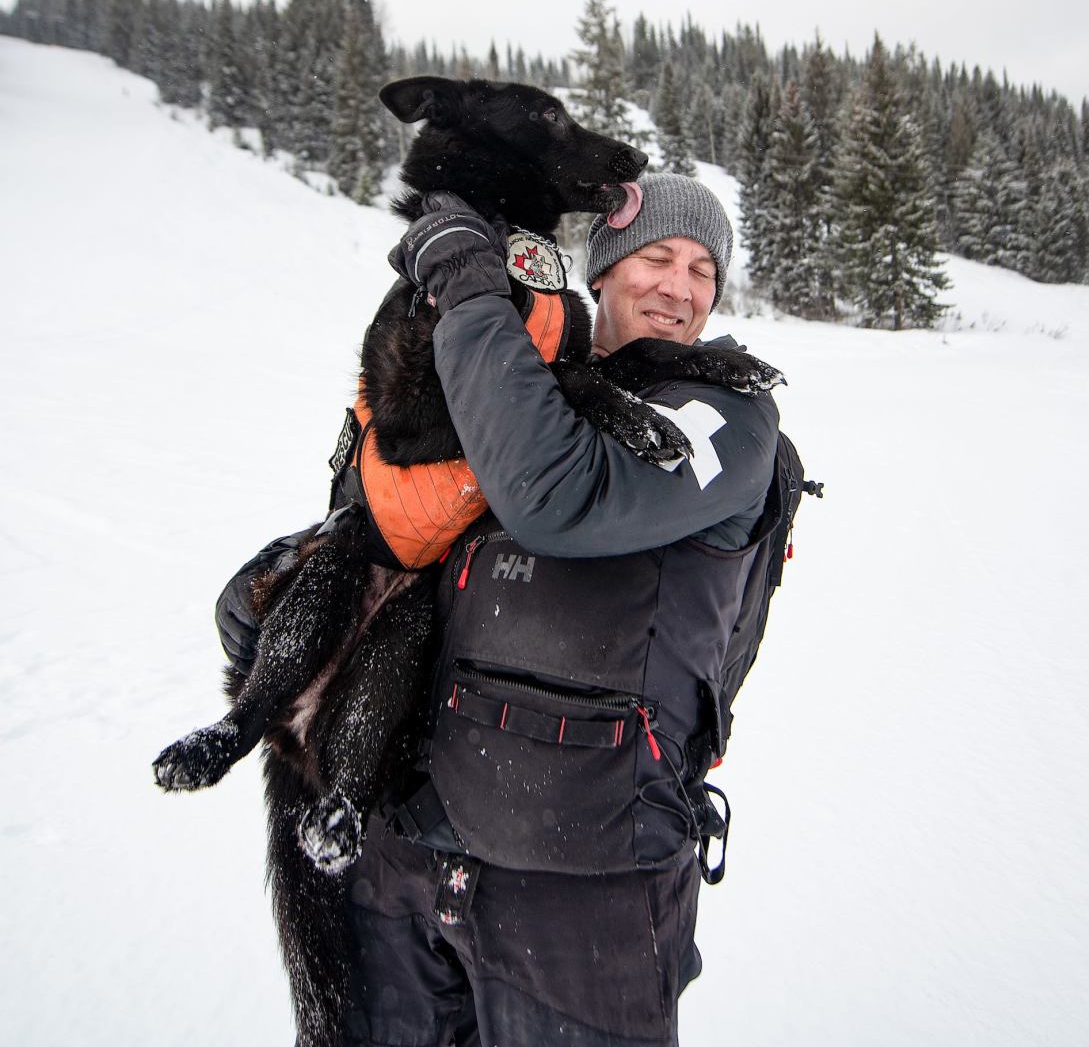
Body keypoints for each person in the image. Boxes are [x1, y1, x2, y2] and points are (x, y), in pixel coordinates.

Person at [220, 173, 781, 1046]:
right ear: (603, 271)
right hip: (400, 851)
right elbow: (398, 522)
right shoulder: (521, 384)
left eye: (704, 270)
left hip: (583, 888)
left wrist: (470, 289)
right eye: (658, 257)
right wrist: (279, 593)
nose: (679, 285)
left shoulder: (725, 415)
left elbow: (554, 494)